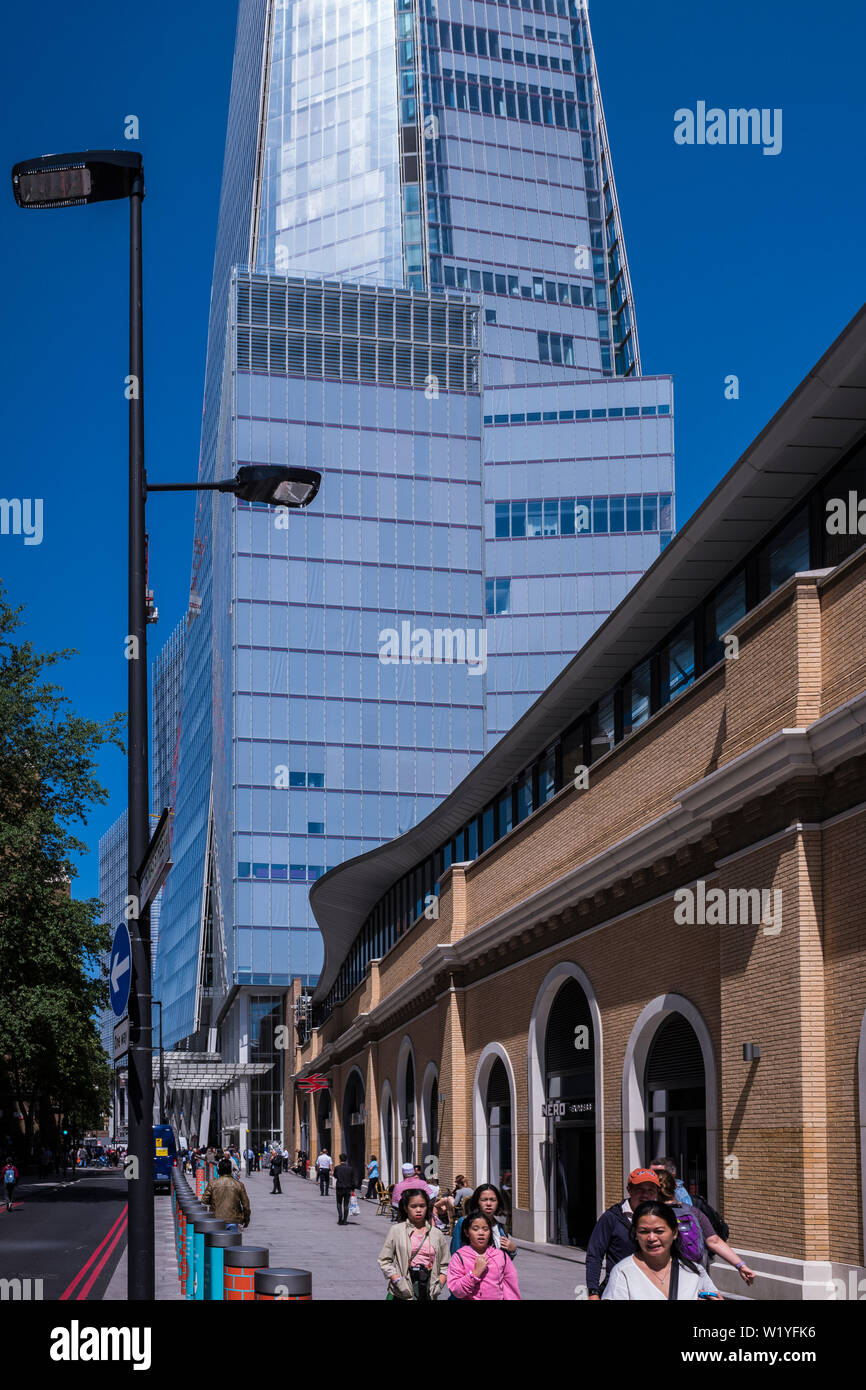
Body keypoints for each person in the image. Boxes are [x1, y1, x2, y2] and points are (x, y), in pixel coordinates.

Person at [655, 1169, 756, 1289]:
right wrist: (741, 1265)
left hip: (661, 1278)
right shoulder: (692, 1211)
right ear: (675, 1186)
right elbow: (715, 1241)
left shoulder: (650, 1215)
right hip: (694, 1276)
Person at [602, 1202, 723, 1300]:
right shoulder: (623, 1273)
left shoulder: (694, 1271)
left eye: (659, 1231)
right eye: (644, 1231)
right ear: (635, 1234)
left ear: (674, 1232)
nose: (652, 1238)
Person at [585, 1167, 664, 1299]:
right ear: (629, 1190)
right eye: (640, 1189)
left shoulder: (662, 1217)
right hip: (619, 1290)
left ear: (656, 1192)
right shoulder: (612, 1218)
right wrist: (593, 1292)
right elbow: (595, 1255)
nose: (645, 1195)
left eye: (650, 1190)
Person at [377, 1189, 450, 1301]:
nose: (418, 1210)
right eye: (413, 1206)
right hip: (403, 1290)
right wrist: (396, 1279)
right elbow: (384, 1260)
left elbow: (445, 1264)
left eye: (422, 1206)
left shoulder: (436, 1234)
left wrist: (440, 1283)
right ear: (406, 1208)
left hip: (428, 1289)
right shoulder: (397, 1231)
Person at [447, 1212, 521, 1301]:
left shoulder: (500, 1256)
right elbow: (457, 1290)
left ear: (490, 1232)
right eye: (475, 1229)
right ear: (467, 1232)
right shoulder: (459, 1257)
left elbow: (510, 1288)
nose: (481, 1233)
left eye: (485, 1229)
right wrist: (475, 1273)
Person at [450, 1184, 517, 1258]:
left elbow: (504, 1261)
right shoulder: (464, 1222)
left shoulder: (501, 1228)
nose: (489, 1204)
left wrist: (512, 1250)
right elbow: (455, 1254)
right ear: (477, 1202)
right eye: (484, 1200)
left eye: (493, 1200)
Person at [202, 1158, 251, 1234]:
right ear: (230, 1170)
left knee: (217, 1243)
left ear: (218, 1170)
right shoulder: (239, 1185)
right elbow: (246, 1205)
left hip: (216, 1219)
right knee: (232, 1243)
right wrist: (246, 1219)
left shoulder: (212, 1184)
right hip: (233, 1220)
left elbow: (204, 1200)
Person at [333, 1152, 355, 1225]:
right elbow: (352, 1180)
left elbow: (335, 1176)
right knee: (346, 1204)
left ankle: (340, 1218)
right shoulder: (350, 1168)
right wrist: (353, 1189)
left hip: (339, 1187)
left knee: (339, 1203)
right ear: (346, 1159)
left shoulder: (337, 1168)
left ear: (340, 1159)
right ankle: (345, 1220)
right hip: (347, 1188)